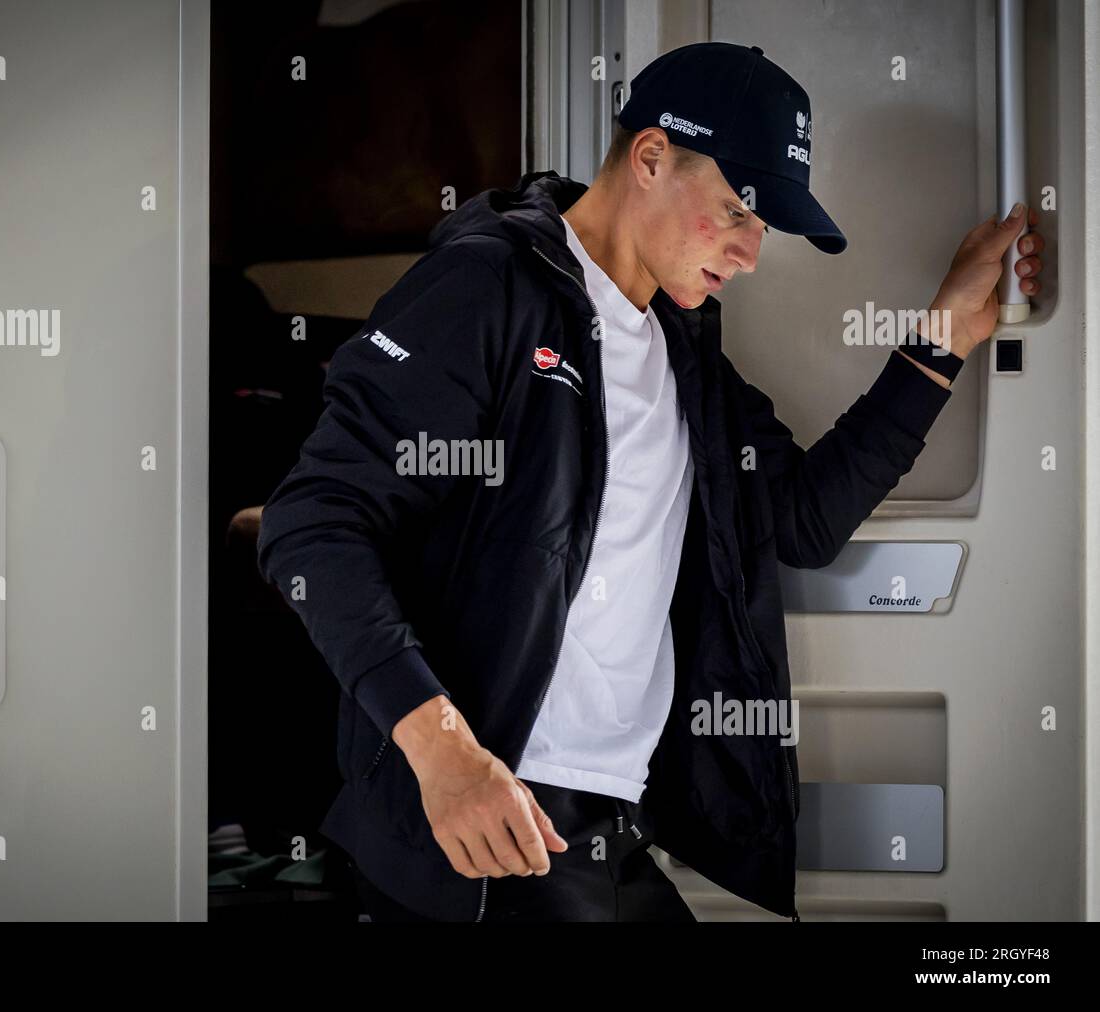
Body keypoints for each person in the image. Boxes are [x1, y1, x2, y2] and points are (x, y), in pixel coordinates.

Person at [256, 42, 1045, 922]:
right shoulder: (488, 287)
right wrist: (443, 755)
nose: (750, 253)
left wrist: (944, 337)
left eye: (762, 228)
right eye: (737, 212)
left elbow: (799, 522)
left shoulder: (683, 347)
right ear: (651, 157)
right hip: (488, 829)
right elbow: (312, 525)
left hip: (610, 821)